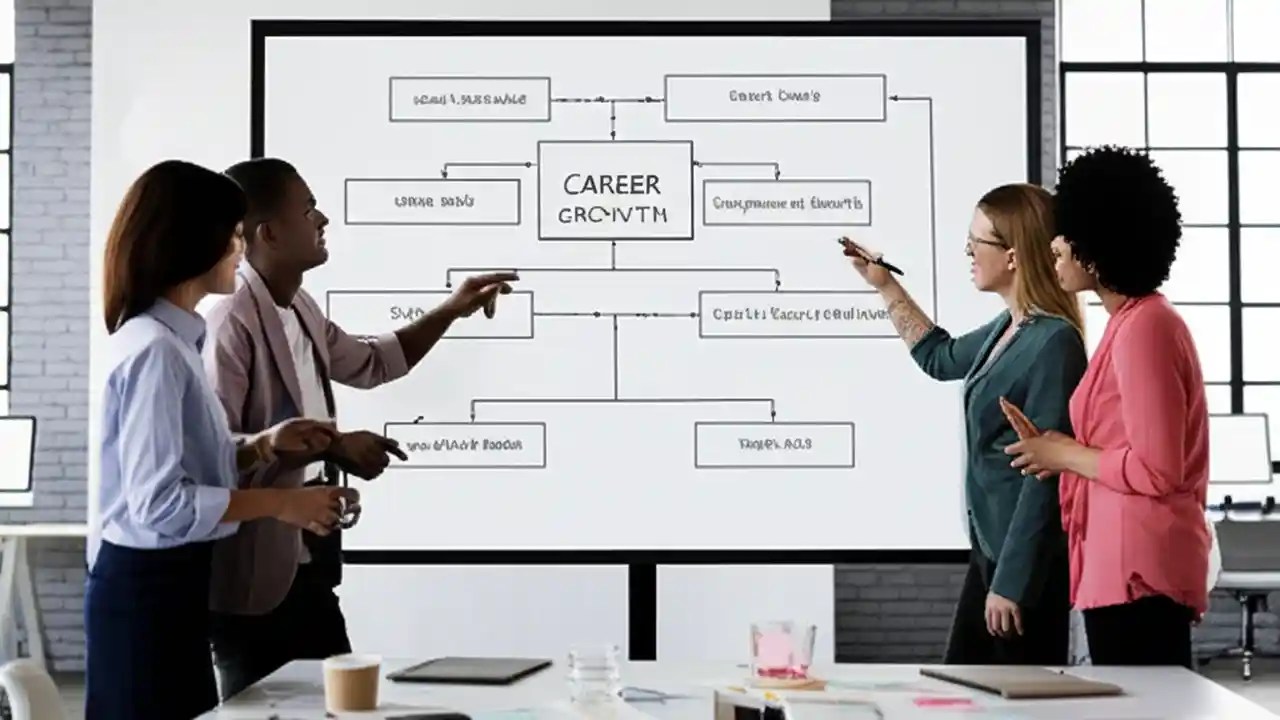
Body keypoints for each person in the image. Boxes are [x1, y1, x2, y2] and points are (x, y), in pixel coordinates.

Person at [202, 157, 519, 699]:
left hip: (308, 565)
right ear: (269, 233)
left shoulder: (297, 305)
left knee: (345, 706)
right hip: (253, 581)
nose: (322, 218)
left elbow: (374, 363)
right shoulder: (231, 319)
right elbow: (215, 458)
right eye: (307, 209)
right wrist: (335, 446)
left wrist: (451, 309)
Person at [87, 159, 359, 719]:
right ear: (193, 241)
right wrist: (285, 503)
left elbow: (185, 469)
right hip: (146, 594)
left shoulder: (175, 343)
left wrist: (263, 447)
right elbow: (161, 503)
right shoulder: (156, 352)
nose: (243, 249)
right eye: (235, 235)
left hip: (169, 587)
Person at [842, 183, 1087, 665]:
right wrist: (886, 285)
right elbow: (939, 356)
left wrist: (1011, 583)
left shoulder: (1053, 343)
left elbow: (1046, 478)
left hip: (1022, 567)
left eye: (979, 241)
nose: (968, 251)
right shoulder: (1011, 327)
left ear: (1013, 256)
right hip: (991, 552)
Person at [1001, 145, 1210, 669]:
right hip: (1122, 567)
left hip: (1141, 573)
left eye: (1066, 235)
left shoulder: (1146, 330)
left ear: (1096, 247)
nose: (1054, 246)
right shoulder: (1127, 323)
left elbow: (1158, 468)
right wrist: (1051, 451)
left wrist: (1065, 454)